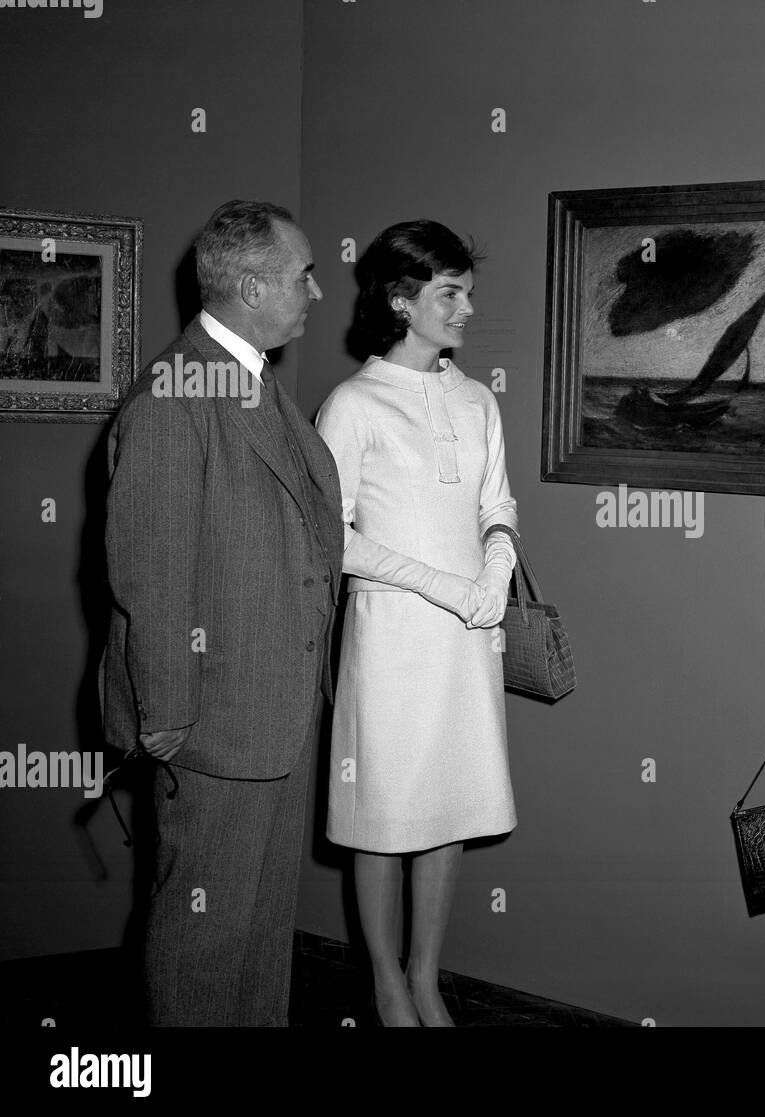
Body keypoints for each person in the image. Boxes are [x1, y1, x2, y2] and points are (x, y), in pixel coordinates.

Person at [101, 200, 341, 1026]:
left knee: (259, 934)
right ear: (249, 284)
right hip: (211, 722)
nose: (317, 288)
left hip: (273, 710)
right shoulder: (176, 393)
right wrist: (167, 713)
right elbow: (150, 569)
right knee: (204, 939)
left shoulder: (255, 381)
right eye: (302, 273)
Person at [315, 220, 517, 1028]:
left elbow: (497, 504)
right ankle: (387, 986)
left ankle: (427, 975)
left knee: (448, 808)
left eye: (467, 290)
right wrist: (444, 583)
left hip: (469, 641)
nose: (467, 308)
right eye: (450, 293)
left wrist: (493, 576)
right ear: (402, 301)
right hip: (392, 639)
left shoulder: (476, 398)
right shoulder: (353, 404)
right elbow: (332, 537)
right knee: (385, 813)